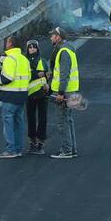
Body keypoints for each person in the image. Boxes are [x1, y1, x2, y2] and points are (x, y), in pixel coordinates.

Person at [0, 36, 31, 158]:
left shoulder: (10, 59)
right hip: (22, 95)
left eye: (7, 41)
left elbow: (7, 78)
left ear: (10, 44)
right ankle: (18, 149)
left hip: (10, 96)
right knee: (18, 123)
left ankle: (10, 150)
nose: (6, 43)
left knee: (8, 123)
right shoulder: (24, 59)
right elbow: (28, 77)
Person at [49, 27, 80, 159]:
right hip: (71, 90)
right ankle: (71, 149)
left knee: (62, 122)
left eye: (53, 35)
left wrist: (60, 92)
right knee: (68, 120)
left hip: (65, 92)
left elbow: (64, 74)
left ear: (58, 37)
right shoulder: (68, 49)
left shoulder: (64, 52)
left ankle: (66, 150)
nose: (51, 38)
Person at [24, 38, 51, 155]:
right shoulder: (24, 61)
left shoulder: (43, 61)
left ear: (38, 48)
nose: (32, 49)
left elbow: (48, 75)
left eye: (34, 47)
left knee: (42, 118)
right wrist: (37, 74)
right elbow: (24, 75)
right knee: (30, 118)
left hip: (42, 93)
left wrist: (47, 85)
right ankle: (32, 141)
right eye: (30, 47)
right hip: (29, 94)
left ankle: (41, 142)